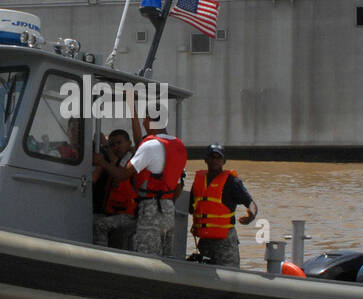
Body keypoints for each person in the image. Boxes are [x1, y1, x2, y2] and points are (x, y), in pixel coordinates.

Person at [95, 114, 187, 256]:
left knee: (146, 257)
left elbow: (122, 175)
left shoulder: (150, 146)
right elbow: (179, 184)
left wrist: (101, 162)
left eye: (144, 120)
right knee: (166, 257)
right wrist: (166, 201)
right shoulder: (178, 146)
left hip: (149, 210)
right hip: (168, 210)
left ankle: (101, 262)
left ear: (148, 120)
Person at [189, 143, 257, 267]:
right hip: (205, 243)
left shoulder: (232, 182)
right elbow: (190, 208)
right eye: (212, 157)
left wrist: (251, 215)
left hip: (225, 243)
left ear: (224, 161)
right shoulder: (198, 182)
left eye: (218, 158)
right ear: (205, 159)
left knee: (230, 277)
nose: (215, 161)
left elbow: (250, 203)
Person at [91, 129, 137, 248]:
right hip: (115, 212)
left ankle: (101, 257)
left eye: (119, 143)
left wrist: (102, 162)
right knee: (91, 218)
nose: (116, 147)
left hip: (130, 215)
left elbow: (120, 173)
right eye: (113, 145)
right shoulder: (118, 160)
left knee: (100, 225)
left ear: (129, 143)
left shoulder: (132, 161)